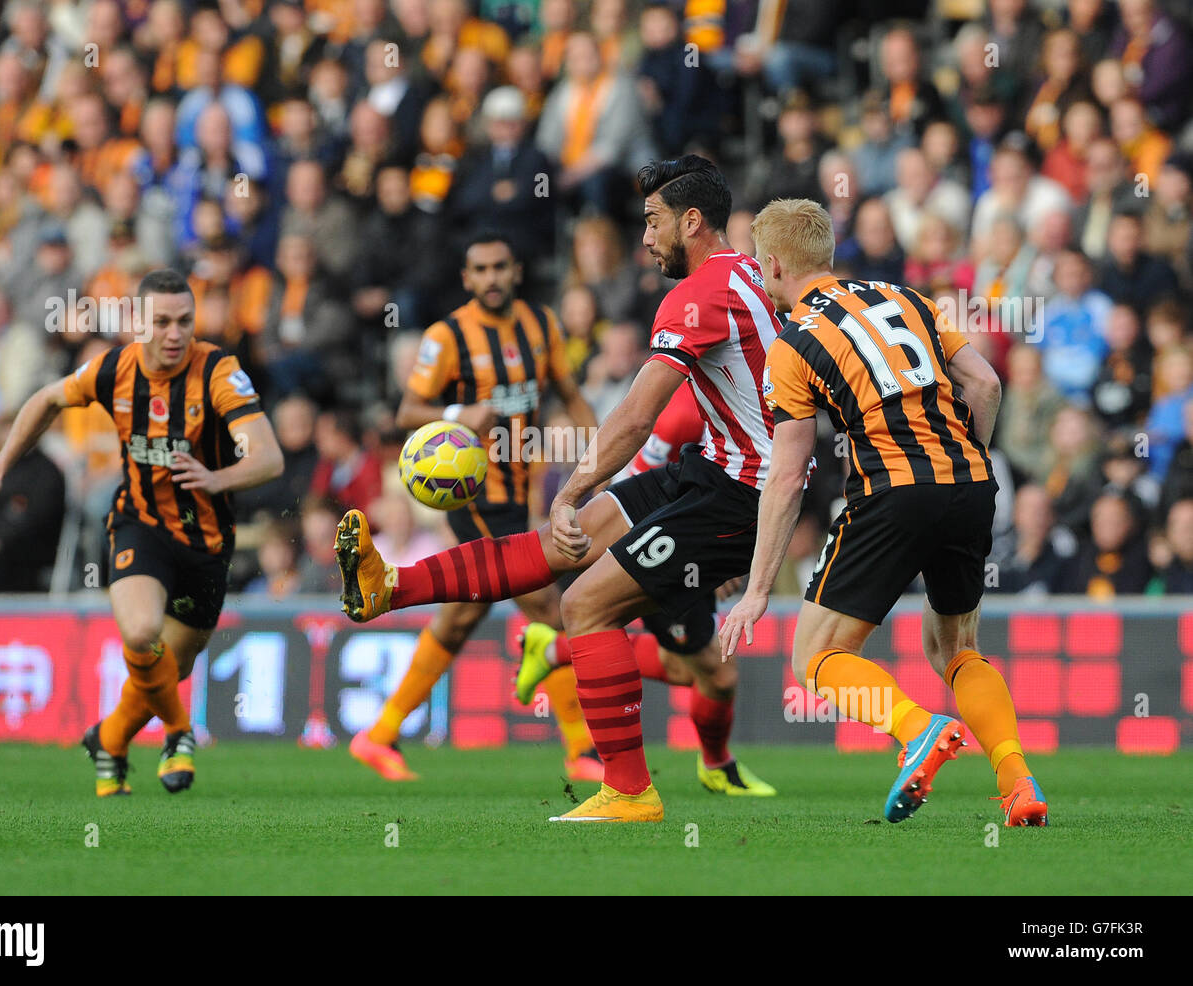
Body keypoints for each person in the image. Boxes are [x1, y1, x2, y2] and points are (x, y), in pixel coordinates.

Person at [335, 156, 786, 822]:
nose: (645, 238)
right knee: (557, 552)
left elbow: (635, 415)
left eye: (653, 222)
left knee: (584, 606)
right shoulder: (744, 273)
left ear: (692, 222)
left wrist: (571, 485)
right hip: (712, 470)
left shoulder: (695, 295)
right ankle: (389, 588)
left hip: (742, 491)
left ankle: (629, 791)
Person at [720, 198, 1048, 828]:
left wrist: (757, 591)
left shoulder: (792, 345)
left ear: (775, 264)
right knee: (955, 647)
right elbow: (985, 384)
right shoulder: (908, 298)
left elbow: (788, 475)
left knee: (816, 656)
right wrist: (965, 462)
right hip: (971, 482)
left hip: (893, 490)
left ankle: (916, 729)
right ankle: (1018, 782)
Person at [0, 269, 284, 796]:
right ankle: (179, 733)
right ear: (138, 322)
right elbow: (45, 400)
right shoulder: (114, 368)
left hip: (205, 541)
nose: (174, 333)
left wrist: (216, 477)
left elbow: (268, 456)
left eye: (184, 321)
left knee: (167, 670)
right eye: (161, 322)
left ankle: (109, 740)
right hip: (140, 525)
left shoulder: (219, 371)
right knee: (139, 634)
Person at [346, 232, 603, 784]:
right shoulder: (447, 336)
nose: (490, 278)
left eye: (500, 267)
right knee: (543, 603)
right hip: (471, 492)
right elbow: (408, 409)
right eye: (480, 269)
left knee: (461, 617)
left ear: (516, 271)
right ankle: (582, 750)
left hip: (520, 491)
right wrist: (462, 411)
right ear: (466, 278)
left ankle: (381, 733)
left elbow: (569, 392)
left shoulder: (541, 326)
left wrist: (604, 453)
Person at [514, 381, 776, 796]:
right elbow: (634, 489)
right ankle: (711, 767)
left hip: (695, 539)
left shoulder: (744, 396)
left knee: (703, 673)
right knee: (715, 672)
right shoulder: (683, 414)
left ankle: (550, 649)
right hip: (660, 544)